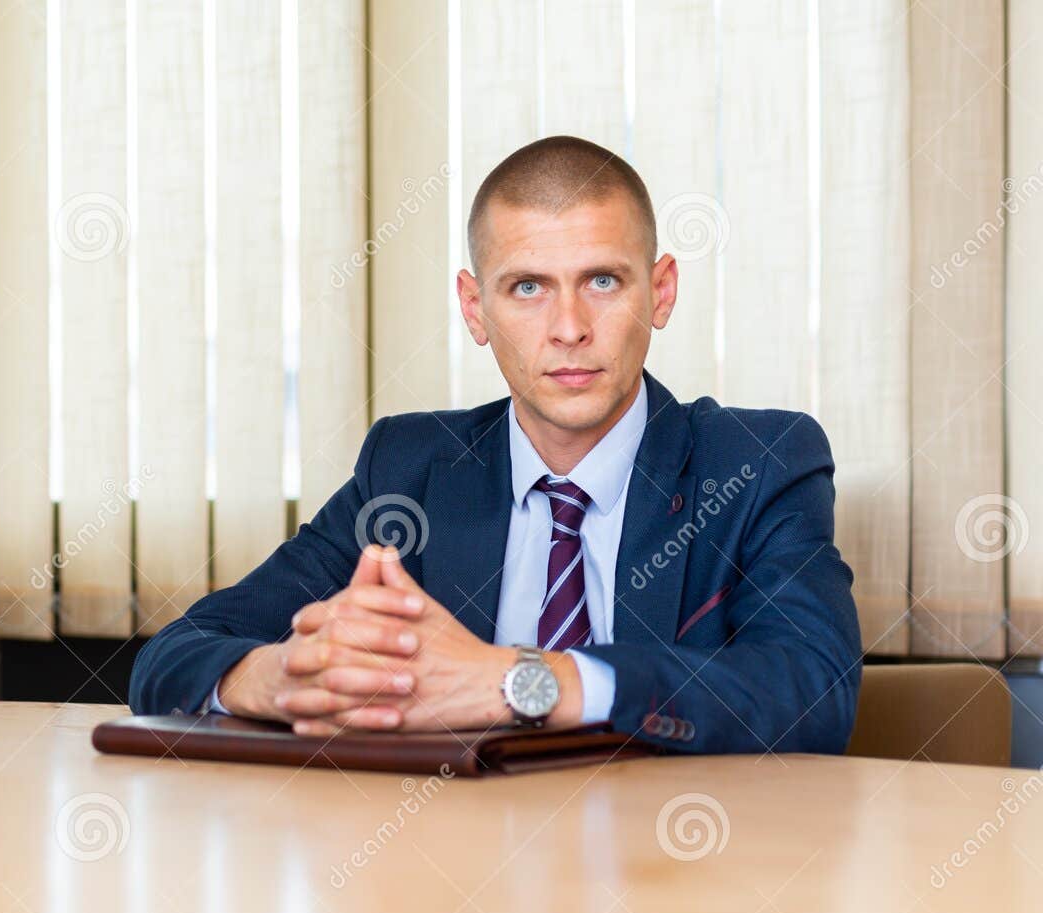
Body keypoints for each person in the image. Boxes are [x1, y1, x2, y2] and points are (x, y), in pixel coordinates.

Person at [129, 135, 861, 755]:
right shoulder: (410, 468)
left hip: (670, 879)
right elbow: (175, 655)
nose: (569, 327)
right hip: (452, 878)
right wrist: (277, 676)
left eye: (603, 280)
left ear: (660, 292)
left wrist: (520, 681)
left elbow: (811, 689)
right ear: (475, 309)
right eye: (527, 288)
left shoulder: (759, 463)